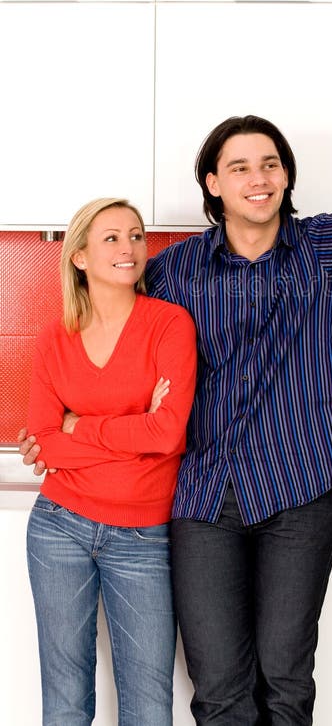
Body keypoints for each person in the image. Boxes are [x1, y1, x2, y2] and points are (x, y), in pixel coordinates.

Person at [20, 119, 332, 725]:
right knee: (218, 683)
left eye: (270, 164)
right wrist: (65, 419)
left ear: (285, 178)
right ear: (213, 183)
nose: (259, 178)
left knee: (284, 676)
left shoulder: (327, 247)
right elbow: (113, 328)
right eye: (241, 167)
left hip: (301, 488)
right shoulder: (175, 272)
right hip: (203, 499)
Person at [20, 198, 197, 726]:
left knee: (147, 701)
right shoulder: (56, 337)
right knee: (65, 696)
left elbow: (167, 434)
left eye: (137, 236)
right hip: (58, 527)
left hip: (143, 537)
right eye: (112, 238)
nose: (130, 248)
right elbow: (45, 443)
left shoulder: (169, 324)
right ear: (79, 257)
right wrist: (131, 424)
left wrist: (80, 426)